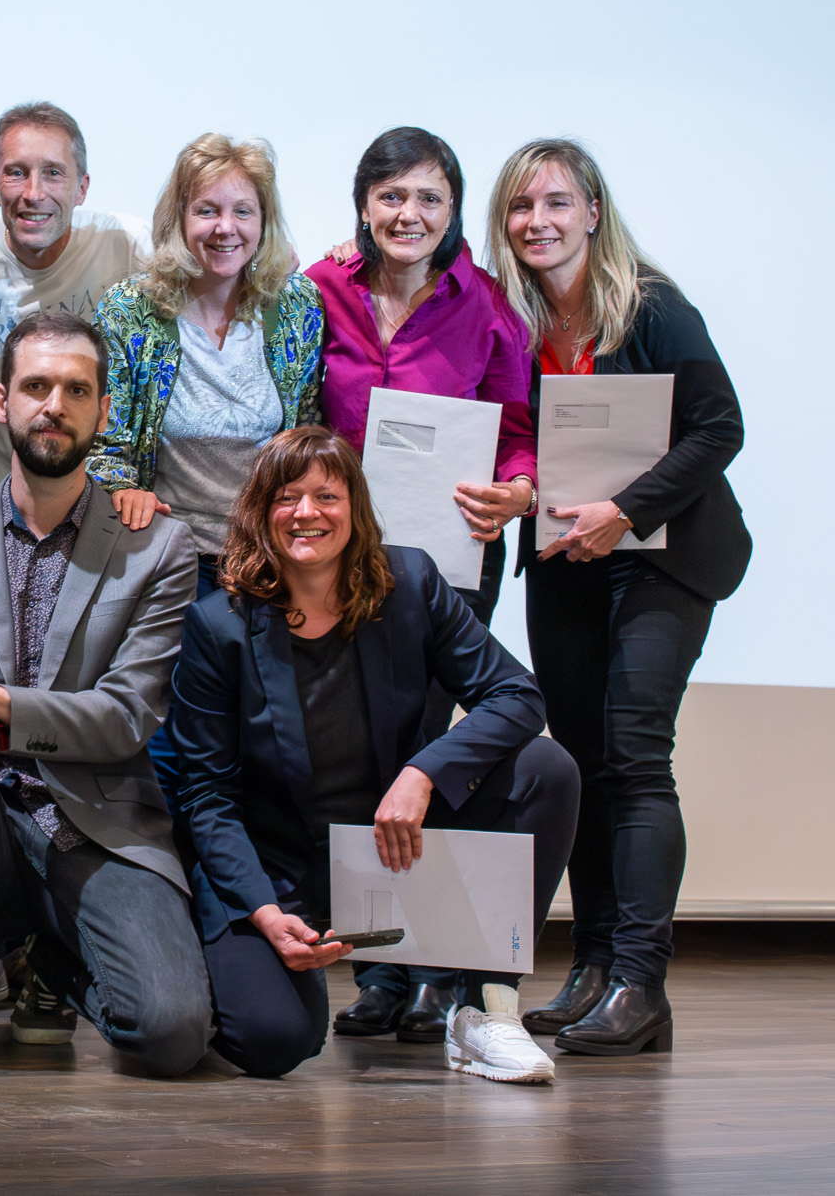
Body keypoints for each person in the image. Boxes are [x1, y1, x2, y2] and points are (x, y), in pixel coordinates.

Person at [161, 426, 579, 1083]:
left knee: (546, 770)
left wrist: (422, 774)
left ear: (355, 507)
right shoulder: (219, 624)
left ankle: (485, 1008)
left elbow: (518, 695)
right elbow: (206, 796)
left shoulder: (409, 582)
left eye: (326, 495)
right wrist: (266, 912)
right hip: (281, 871)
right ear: (259, 513)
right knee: (275, 1041)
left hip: (395, 855)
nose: (306, 513)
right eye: (287, 497)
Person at [0, 310, 213, 1074]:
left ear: (102, 410)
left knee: (170, 1033)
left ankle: (47, 964)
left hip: (91, 823)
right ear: (2, 402)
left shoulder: (158, 547)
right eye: (35, 385)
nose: (53, 403)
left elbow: (127, 716)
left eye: (75, 388)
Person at [487, 138, 750, 1055]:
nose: (539, 222)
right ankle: (595, 968)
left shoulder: (653, 305)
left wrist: (625, 509)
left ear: (593, 212)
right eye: (521, 207)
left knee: (636, 755)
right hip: (564, 557)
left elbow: (723, 427)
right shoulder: (514, 324)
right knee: (586, 756)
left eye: (557, 203)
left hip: (661, 555)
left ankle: (642, 983)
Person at [302, 126, 538, 1043]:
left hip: (450, 566)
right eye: (391, 196)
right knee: (364, 756)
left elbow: (518, 426)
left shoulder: (486, 306)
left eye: (429, 199)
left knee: (437, 759)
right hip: (339, 565)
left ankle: (442, 969)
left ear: (452, 210)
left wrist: (516, 488)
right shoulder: (318, 293)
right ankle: (383, 967)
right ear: (363, 203)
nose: (409, 214)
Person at [87, 134, 324, 590]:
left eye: (242, 211)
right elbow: (99, 440)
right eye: (207, 210)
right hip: (165, 552)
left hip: (271, 551)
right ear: (180, 219)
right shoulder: (130, 310)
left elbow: (310, 426)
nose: (225, 228)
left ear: (264, 221)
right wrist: (122, 488)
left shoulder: (298, 305)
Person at [0, 102, 151, 489]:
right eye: (16, 173)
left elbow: (214, 270)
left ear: (81, 187)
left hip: (101, 500)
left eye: (53, 173)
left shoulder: (128, 245)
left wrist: (264, 262)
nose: (34, 194)